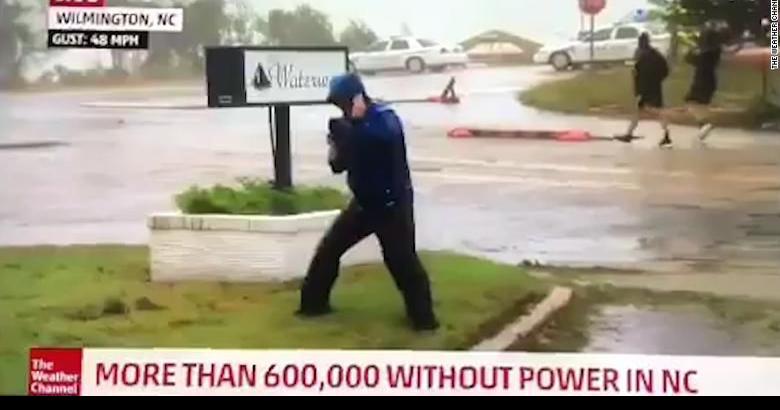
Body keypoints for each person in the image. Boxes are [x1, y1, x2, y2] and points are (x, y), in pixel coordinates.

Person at [297, 73, 440, 332]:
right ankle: (313, 306)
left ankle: (424, 321)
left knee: (402, 262)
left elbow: (383, 137)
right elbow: (337, 166)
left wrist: (351, 131)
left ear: (358, 98)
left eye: (345, 103)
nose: (342, 109)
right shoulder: (349, 127)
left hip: (392, 206)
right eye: (338, 105)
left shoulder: (384, 117)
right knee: (329, 250)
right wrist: (336, 144)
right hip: (363, 204)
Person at [615, 32, 671, 147]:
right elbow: (665, 70)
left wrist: (638, 90)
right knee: (640, 111)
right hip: (655, 86)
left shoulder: (641, 55)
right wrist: (658, 79)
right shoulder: (656, 55)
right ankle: (629, 133)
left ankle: (666, 135)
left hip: (644, 89)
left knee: (655, 111)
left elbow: (637, 74)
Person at [683, 27, 723, 141]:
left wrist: (693, 47)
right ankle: (703, 127)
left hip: (702, 81)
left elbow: (689, 58)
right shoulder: (715, 50)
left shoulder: (706, 53)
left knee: (691, 101)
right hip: (708, 81)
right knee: (700, 104)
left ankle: (705, 124)